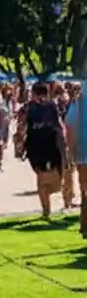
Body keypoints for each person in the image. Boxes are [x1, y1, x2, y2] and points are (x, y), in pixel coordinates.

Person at [16, 82, 66, 219]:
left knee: (50, 182)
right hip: (39, 147)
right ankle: (46, 210)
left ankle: (46, 208)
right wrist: (20, 143)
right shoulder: (31, 107)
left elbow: (58, 125)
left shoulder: (50, 107)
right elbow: (21, 126)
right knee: (43, 178)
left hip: (48, 146)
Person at [65, 90, 87, 238]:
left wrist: (71, 150)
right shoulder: (78, 102)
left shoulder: (78, 102)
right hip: (83, 152)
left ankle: (85, 225)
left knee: (85, 190)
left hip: (83, 152)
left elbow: (70, 126)